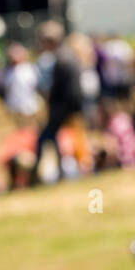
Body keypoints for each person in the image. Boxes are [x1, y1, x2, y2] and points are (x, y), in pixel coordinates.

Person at [31, 21, 84, 184]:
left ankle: (38, 175)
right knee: (61, 141)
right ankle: (62, 171)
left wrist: (53, 107)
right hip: (69, 107)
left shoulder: (62, 59)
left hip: (64, 109)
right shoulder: (67, 56)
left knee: (47, 139)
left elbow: (62, 90)